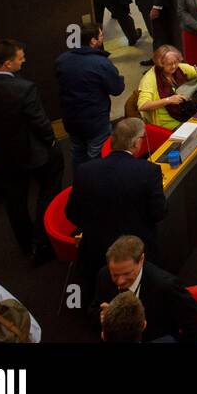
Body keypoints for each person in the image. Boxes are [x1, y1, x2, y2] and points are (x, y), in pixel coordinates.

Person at [0, 39, 62, 261]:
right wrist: (52, 142)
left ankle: (26, 245)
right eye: (20, 58)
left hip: (3, 154)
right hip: (32, 153)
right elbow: (40, 123)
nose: (23, 60)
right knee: (49, 188)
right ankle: (42, 239)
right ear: (7, 64)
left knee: (15, 202)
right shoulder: (24, 88)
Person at [67, 118, 166, 293]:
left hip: (96, 254)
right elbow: (159, 213)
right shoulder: (149, 172)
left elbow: (72, 213)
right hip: (138, 255)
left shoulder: (85, 171)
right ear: (136, 143)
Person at [96, 235, 197, 343]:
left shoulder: (165, 286)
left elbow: (194, 319)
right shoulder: (104, 276)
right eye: (115, 275)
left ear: (141, 260)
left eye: (127, 273)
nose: (120, 281)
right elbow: (94, 310)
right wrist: (104, 317)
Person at [54, 22, 125, 166]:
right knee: (98, 158)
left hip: (71, 120)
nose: (102, 37)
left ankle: (81, 183)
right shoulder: (100, 63)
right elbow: (117, 89)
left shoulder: (62, 60)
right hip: (95, 122)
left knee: (78, 154)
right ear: (93, 41)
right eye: (100, 35)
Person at [137, 44, 197, 130]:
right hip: (169, 122)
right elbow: (143, 105)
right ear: (160, 64)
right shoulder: (149, 79)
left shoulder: (180, 68)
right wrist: (169, 100)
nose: (174, 66)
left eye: (176, 62)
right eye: (170, 64)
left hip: (187, 110)